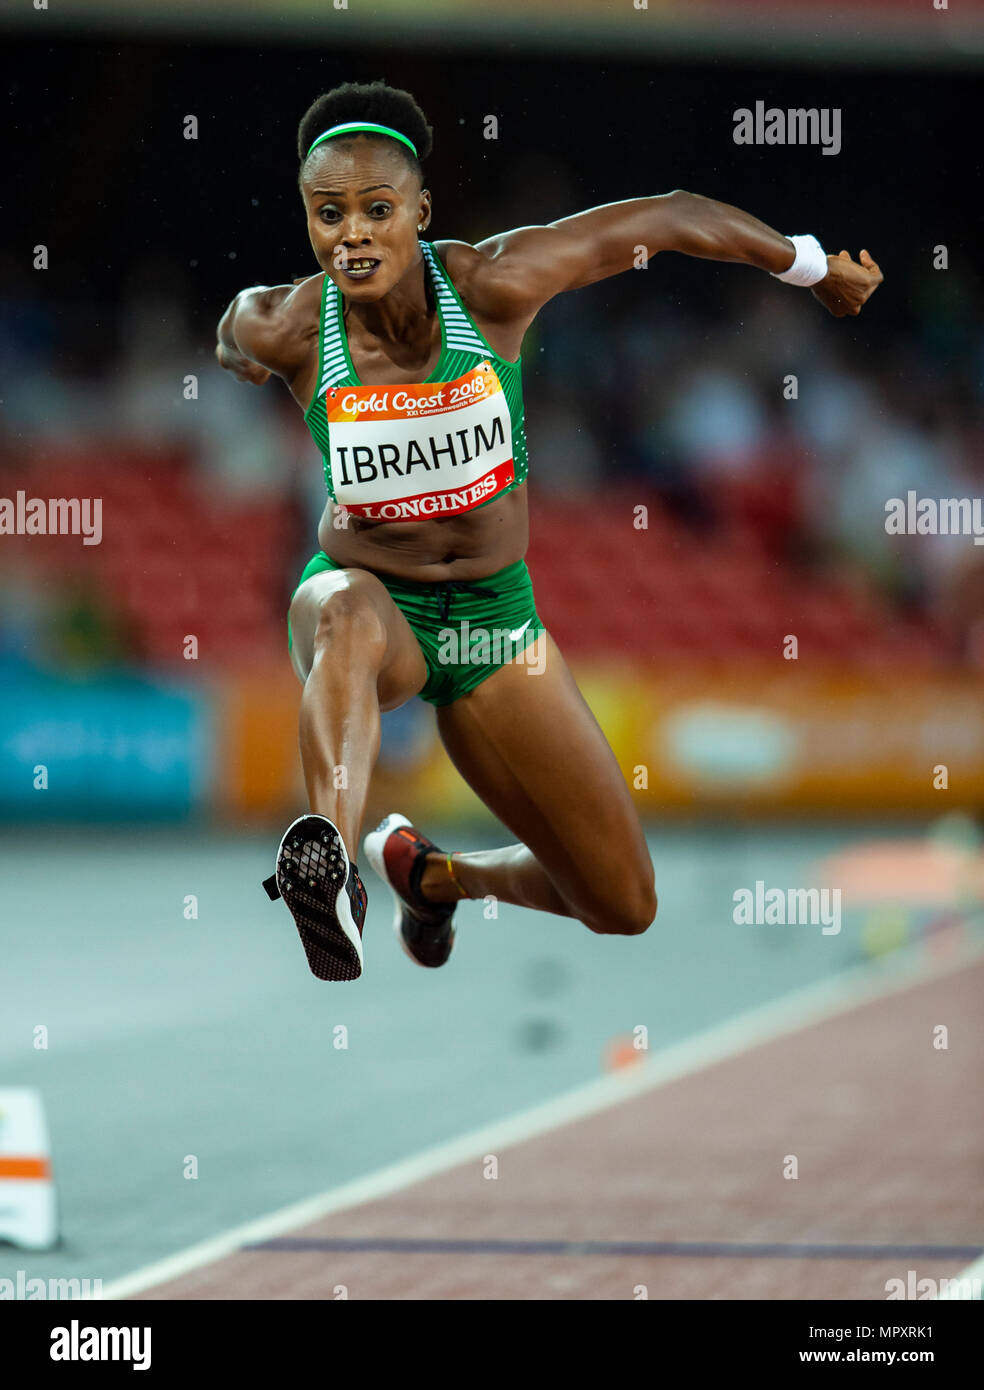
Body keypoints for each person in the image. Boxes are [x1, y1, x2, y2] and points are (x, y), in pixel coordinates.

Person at [215, 80, 883, 982]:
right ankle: (328, 867)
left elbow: (673, 215)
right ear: (307, 220)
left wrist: (807, 264)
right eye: (328, 214)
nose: (353, 234)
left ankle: (436, 879)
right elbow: (237, 319)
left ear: (420, 209)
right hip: (376, 610)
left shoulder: (493, 286)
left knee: (620, 901)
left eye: (378, 210)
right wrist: (232, 346)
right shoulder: (294, 328)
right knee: (345, 614)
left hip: (496, 620)